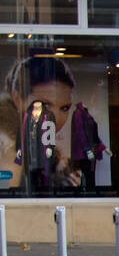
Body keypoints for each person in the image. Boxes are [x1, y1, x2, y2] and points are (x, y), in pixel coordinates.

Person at [1, 55, 82, 193]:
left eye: (64, 108)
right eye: (45, 104)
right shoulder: (8, 145)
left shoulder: (49, 154)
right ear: (17, 99)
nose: (55, 117)